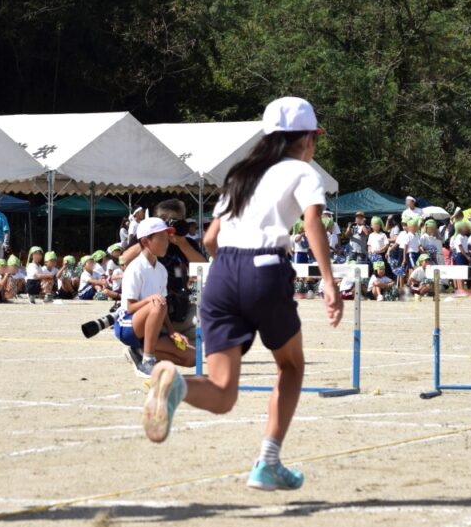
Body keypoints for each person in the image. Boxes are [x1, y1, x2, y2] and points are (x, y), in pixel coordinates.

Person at [142, 96, 342, 493]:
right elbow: (313, 223)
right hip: (265, 269)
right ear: (304, 139)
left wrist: (232, 271)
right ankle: (268, 462)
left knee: (222, 391)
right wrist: (329, 281)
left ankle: (177, 385)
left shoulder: (240, 175)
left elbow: (212, 237)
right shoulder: (303, 172)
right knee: (291, 367)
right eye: (314, 138)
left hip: (221, 276)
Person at [118, 198, 207, 346]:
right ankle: (146, 346)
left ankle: (169, 342)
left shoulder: (186, 242)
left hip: (179, 307)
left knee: (204, 326)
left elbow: (202, 268)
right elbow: (123, 261)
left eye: (179, 221)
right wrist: (152, 239)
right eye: (169, 221)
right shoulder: (144, 238)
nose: (175, 225)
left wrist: (182, 243)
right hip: (148, 309)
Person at [116, 218, 194, 373]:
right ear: (146, 241)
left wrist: (172, 331)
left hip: (152, 329)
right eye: (162, 238)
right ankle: (148, 360)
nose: (167, 242)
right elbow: (130, 307)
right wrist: (150, 300)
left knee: (193, 357)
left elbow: (161, 307)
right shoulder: (135, 268)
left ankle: (138, 352)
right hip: (128, 325)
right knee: (157, 303)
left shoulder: (161, 270)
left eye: (167, 238)